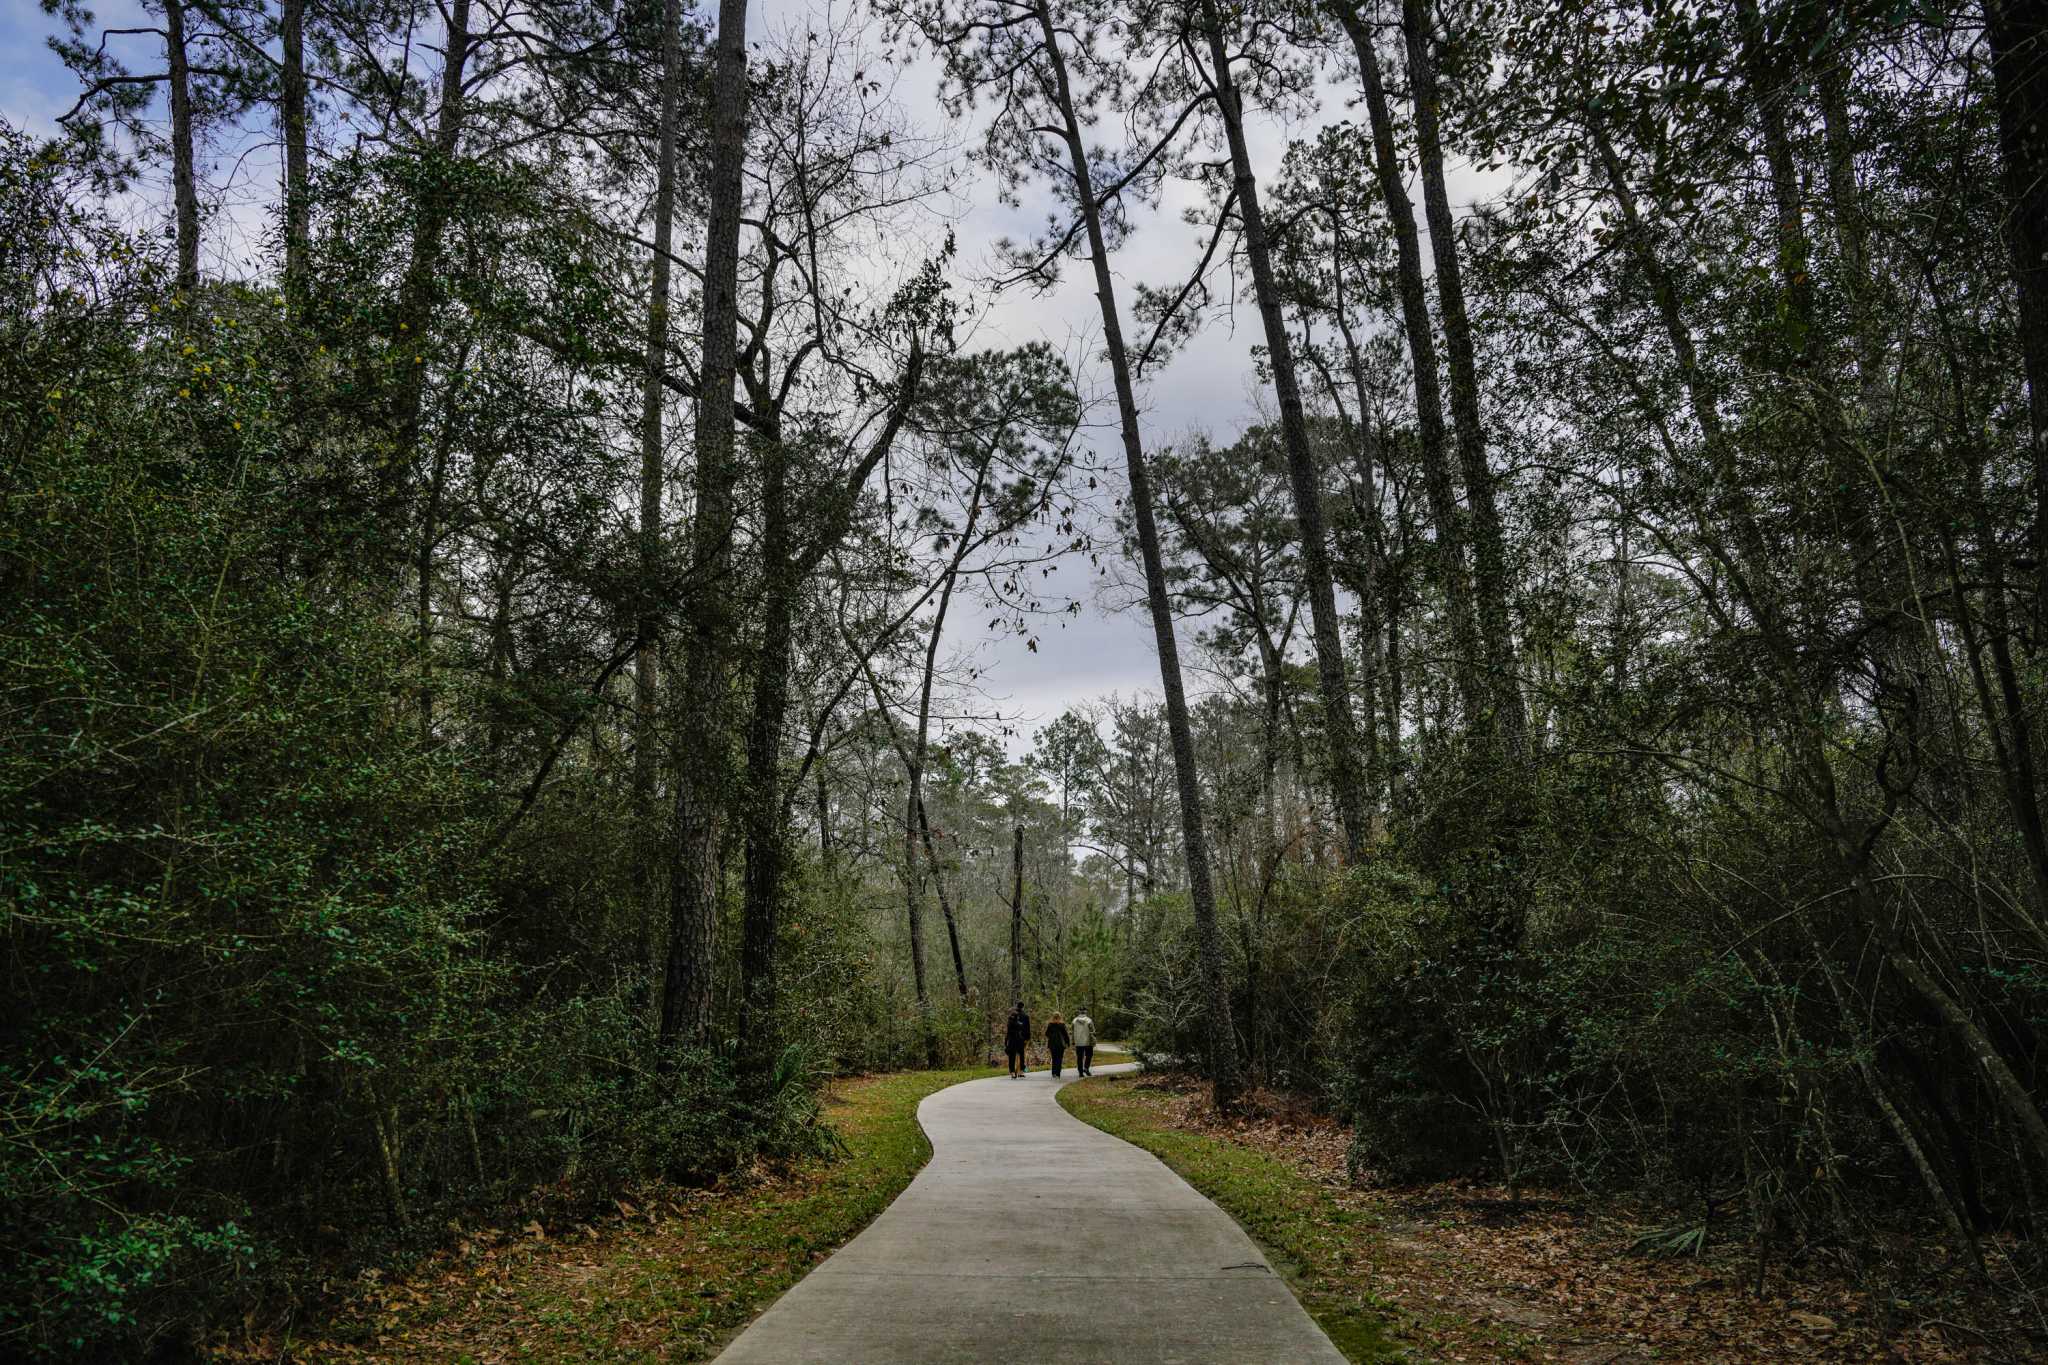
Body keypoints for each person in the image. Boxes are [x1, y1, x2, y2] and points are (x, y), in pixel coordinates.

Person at [1004, 1000, 1031, 1078]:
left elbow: (1008, 1031)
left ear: (1016, 1006)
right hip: (1021, 1039)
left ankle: (1012, 1071)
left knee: (1012, 1056)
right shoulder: (1025, 1016)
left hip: (1012, 1040)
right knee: (1021, 1055)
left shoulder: (1010, 1018)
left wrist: (1006, 1041)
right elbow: (1027, 1028)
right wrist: (1027, 1038)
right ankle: (1021, 1071)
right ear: (1023, 1007)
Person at [1071, 1008, 1095, 1076]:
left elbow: (1072, 1031)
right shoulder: (1089, 1020)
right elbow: (1093, 1031)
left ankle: (1080, 1072)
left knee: (1079, 1057)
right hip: (1088, 1042)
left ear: (1079, 1012)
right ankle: (1086, 1068)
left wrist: (1073, 1041)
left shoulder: (1074, 1020)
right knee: (1089, 1055)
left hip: (1078, 1042)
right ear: (1085, 1012)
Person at [1046, 1013, 1070, 1077]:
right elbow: (1066, 1035)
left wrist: (1051, 1037)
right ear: (1060, 1017)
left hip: (1052, 1044)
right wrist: (1068, 1043)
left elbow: (1047, 1034)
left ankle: (1053, 1073)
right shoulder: (1062, 1025)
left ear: (1053, 1017)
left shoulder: (1050, 1025)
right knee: (1059, 1058)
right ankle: (1058, 1073)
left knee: (1054, 1058)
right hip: (1060, 1044)